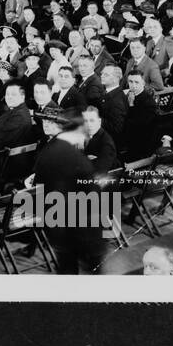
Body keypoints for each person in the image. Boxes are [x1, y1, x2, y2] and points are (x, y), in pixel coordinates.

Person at [27, 106, 111, 275]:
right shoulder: (75, 157)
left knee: (67, 271)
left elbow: (39, 186)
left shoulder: (49, 150)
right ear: (79, 129)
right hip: (84, 230)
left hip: (58, 227)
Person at [81, 104, 120, 175]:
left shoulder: (106, 143)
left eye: (92, 120)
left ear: (99, 121)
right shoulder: (90, 135)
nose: (89, 124)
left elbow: (100, 172)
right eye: (86, 121)